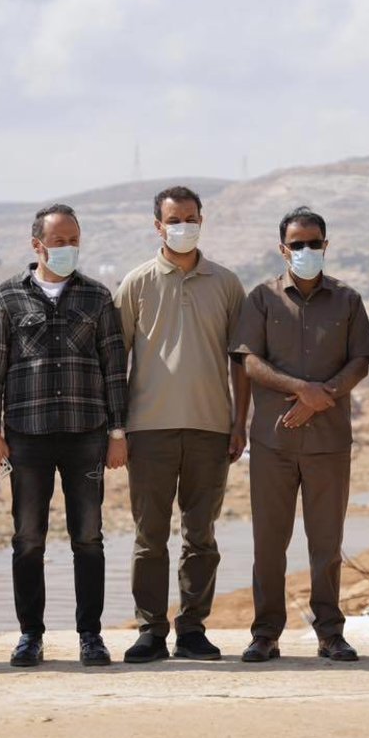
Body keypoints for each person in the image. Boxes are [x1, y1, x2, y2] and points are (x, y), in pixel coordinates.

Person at [0, 204, 128, 667]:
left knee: (89, 537)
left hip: (87, 433)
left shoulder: (98, 298)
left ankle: (91, 636)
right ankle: (30, 636)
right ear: (37, 245)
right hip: (28, 435)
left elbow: (114, 370)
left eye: (73, 240)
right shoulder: (6, 299)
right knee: (28, 539)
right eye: (58, 241)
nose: (67, 249)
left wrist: (118, 431)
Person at [231, 207, 369, 663]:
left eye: (314, 243)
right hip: (272, 442)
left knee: (326, 542)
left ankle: (330, 633)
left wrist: (327, 394)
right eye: (297, 244)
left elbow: (361, 359)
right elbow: (248, 360)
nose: (306, 251)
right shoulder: (261, 298)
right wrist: (302, 390)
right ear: (283, 249)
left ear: (326, 246)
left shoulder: (348, 300)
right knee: (268, 543)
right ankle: (265, 634)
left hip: (329, 442)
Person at [116, 185, 249, 663]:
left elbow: (240, 359)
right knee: (149, 536)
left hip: (211, 427)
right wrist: (117, 429)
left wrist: (240, 422)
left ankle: (192, 628)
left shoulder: (227, 284)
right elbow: (117, 361)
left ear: (202, 220)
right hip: (148, 430)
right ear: (158, 226)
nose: (184, 226)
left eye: (191, 217)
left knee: (201, 535)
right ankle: (150, 630)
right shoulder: (136, 283)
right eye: (175, 219)